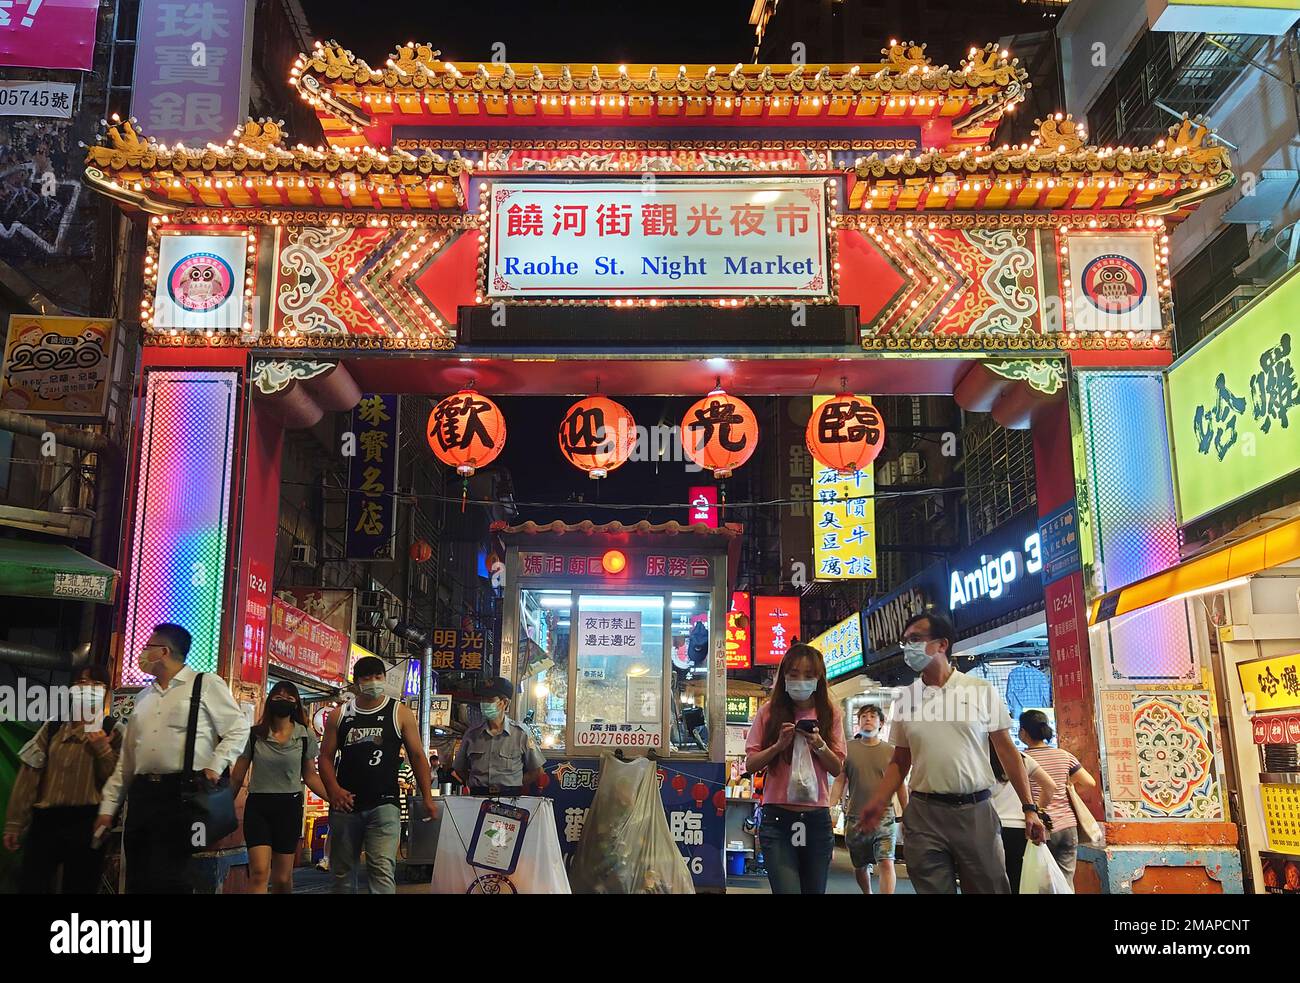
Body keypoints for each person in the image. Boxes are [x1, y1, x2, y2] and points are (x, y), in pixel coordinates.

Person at [858, 613, 1046, 894]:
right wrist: (879, 800)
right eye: (905, 641)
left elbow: (1008, 753)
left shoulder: (981, 691)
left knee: (989, 888)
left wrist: (1029, 808)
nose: (908, 647)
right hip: (924, 814)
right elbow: (900, 761)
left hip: (976, 811)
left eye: (915, 639)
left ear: (942, 644)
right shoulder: (906, 698)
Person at [94, 624, 250, 893]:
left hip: (182, 795)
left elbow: (238, 728)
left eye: (146, 648)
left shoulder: (204, 684)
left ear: (163, 651)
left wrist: (215, 766)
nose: (141, 654)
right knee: (138, 878)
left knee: (171, 878)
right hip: (142, 797)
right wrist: (108, 809)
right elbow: (127, 763)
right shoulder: (143, 697)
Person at [319, 656, 438, 894]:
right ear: (356, 682)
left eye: (378, 677)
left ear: (384, 678)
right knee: (341, 873)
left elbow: (416, 756)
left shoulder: (400, 712)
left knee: (381, 868)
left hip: (384, 804)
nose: (373, 682)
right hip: (346, 805)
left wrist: (427, 797)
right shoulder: (339, 715)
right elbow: (325, 758)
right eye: (367, 678)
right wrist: (334, 791)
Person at [3, 666, 121, 893]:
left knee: (80, 886)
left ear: (105, 691)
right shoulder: (53, 728)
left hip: (88, 821)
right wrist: (15, 822)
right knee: (32, 884)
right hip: (46, 820)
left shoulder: (113, 730)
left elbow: (117, 782)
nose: (86, 688)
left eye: (94, 684)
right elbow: (29, 775)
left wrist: (102, 750)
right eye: (81, 682)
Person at [744, 643, 846, 895]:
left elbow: (836, 768)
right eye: (793, 674)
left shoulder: (830, 714)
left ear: (819, 679)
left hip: (816, 820)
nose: (800, 680)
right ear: (784, 677)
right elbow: (751, 763)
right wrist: (779, 745)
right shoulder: (769, 713)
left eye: (808, 675)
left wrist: (820, 744)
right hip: (777, 818)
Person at [229, 680, 329, 894]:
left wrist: (334, 798)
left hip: (289, 807)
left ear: (296, 704)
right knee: (259, 873)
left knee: (283, 878)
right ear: (270, 700)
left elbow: (310, 776)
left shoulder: (304, 736)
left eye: (290, 698)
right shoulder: (254, 735)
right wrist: (225, 804)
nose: (283, 701)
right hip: (258, 807)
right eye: (278, 696)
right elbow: (238, 776)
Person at [830, 703, 906, 894]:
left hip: (885, 817)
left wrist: (908, 813)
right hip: (855, 817)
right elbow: (840, 781)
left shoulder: (891, 751)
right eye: (864, 717)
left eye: (873, 716)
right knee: (860, 865)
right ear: (858, 723)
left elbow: (899, 785)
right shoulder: (848, 749)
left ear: (881, 723)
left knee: (887, 862)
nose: (868, 720)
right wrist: (828, 806)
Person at [1021, 709, 1097, 888]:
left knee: (1041, 884)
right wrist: (1067, 785)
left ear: (1023, 732)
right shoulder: (1064, 755)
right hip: (1068, 827)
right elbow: (1089, 782)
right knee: (1066, 881)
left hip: (1040, 827)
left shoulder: (1023, 760)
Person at [452, 677, 545, 795]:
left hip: (510, 798)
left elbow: (537, 770)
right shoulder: (471, 735)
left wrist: (515, 783)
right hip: (478, 797)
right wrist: (473, 782)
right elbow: (459, 768)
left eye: (489, 699)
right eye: (482, 699)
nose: (484, 703)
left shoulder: (520, 734)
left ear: (504, 703)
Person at [990, 740, 1056, 893]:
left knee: (995, 884)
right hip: (1023, 828)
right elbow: (1050, 786)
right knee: (1020, 882)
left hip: (991, 830)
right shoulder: (1022, 758)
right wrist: (1035, 811)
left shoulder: (980, 761)